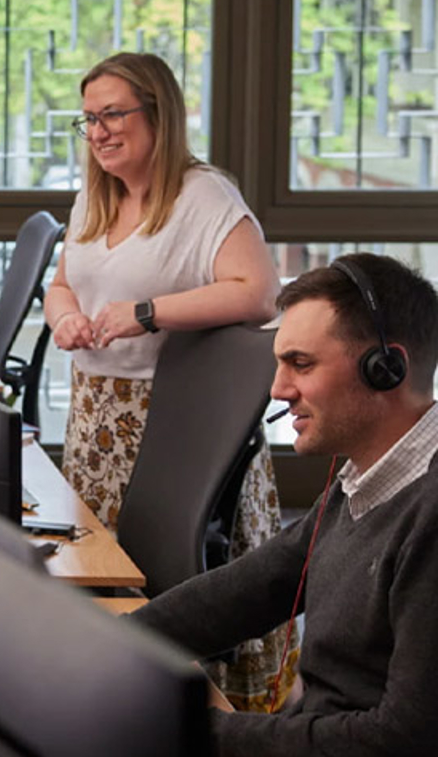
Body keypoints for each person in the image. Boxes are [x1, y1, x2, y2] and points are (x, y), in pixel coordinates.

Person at [42, 51, 288, 708]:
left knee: (178, 583)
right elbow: (63, 282)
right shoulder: (97, 195)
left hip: (178, 422)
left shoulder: (203, 194)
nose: (98, 132)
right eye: (88, 119)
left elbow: (259, 293)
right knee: (105, 579)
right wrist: (64, 316)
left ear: (159, 113)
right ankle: (108, 705)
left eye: (113, 115)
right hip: (98, 418)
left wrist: (148, 313)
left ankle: (197, 718)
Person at [133, 253, 438, 755]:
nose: (277, 390)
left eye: (301, 363)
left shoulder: (429, 517)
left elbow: (397, 739)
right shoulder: (362, 481)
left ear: (385, 369)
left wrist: (189, 727)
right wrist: (105, 646)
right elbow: (252, 587)